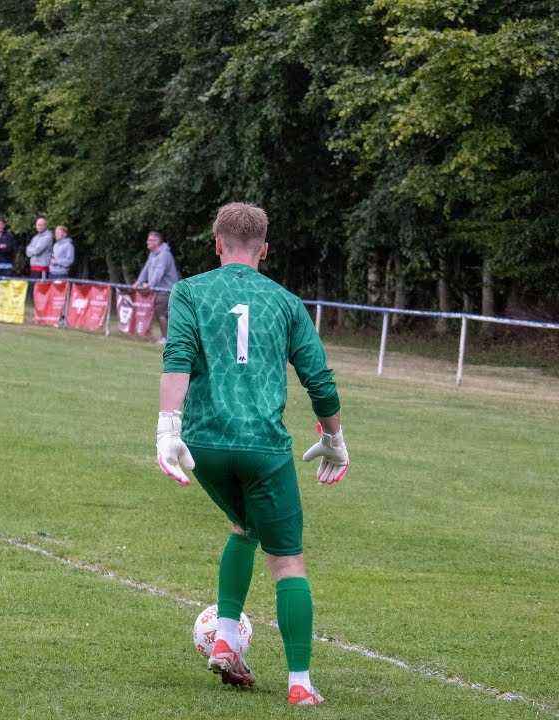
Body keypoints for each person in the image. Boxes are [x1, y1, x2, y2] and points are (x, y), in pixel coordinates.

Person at [154, 202, 348, 707]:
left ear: (218, 244)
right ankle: (300, 683)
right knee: (287, 562)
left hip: (204, 445)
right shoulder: (285, 302)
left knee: (244, 526)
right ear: (264, 250)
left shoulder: (189, 291)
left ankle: (225, 639)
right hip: (263, 446)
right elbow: (319, 379)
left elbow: (177, 356)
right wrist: (334, 438)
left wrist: (167, 429)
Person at [134, 230, 180, 344]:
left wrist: (150, 285)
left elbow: (159, 272)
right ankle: (169, 339)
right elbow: (146, 270)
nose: (147, 242)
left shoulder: (164, 255)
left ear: (157, 242)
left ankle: (166, 339)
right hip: (160, 290)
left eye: (150, 240)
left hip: (167, 290)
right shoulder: (152, 254)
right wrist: (138, 282)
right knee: (163, 315)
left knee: (162, 314)